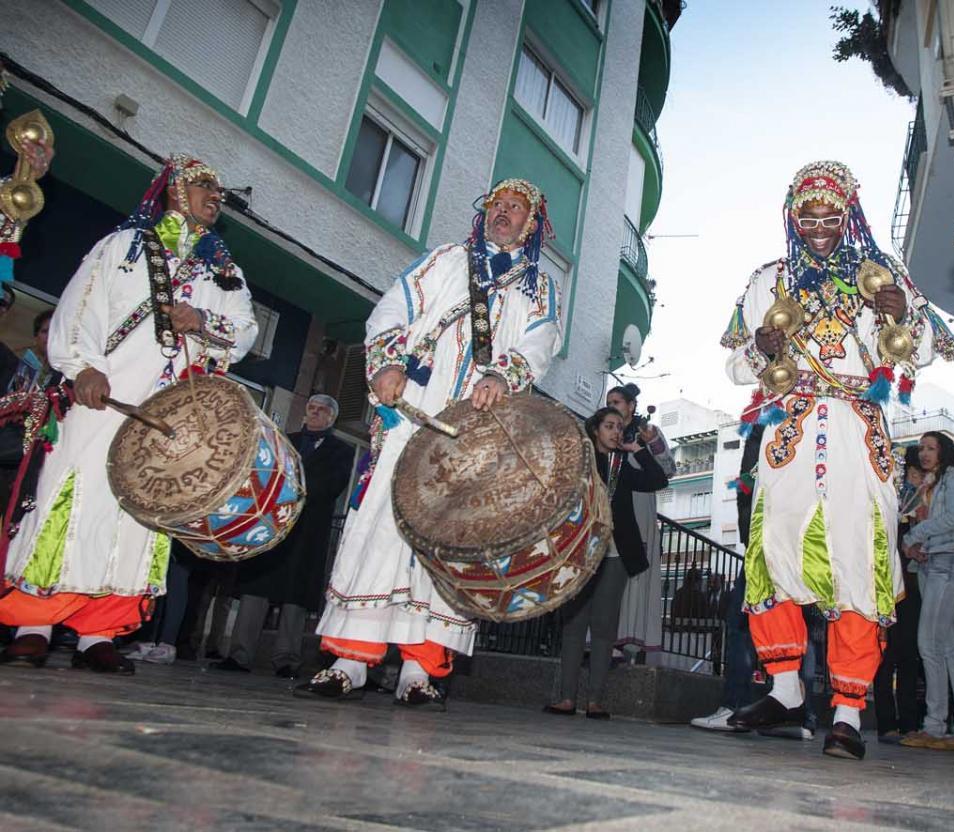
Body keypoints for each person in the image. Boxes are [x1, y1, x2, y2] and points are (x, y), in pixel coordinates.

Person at [721, 160, 954, 761]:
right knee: (774, 552)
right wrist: (761, 349)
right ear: (792, 219)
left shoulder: (879, 274)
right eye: (809, 218)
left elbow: (924, 352)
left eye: (832, 217)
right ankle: (783, 688)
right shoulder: (768, 280)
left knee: (859, 559)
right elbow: (734, 366)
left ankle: (849, 712)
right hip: (790, 433)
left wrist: (899, 312)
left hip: (859, 432)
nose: (821, 228)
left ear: (849, 216)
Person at [302, 178, 562, 706]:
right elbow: (391, 309)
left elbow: (541, 342)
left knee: (452, 540)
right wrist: (387, 364)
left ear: (531, 223)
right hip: (412, 413)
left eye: (515, 208)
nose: (503, 212)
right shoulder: (445, 260)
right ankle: (350, 660)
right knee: (381, 526)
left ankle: (419, 671)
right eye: (497, 204)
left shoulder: (539, 288)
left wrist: (503, 376)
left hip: (477, 428)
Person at [0, 153, 258, 673]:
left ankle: (99, 634)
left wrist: (201, 319)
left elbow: (245, 330)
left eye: (219, 192)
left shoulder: (224, 272)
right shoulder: (123, 246)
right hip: (103, 399)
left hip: (168, 417)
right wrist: (82, 368)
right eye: (204, 186)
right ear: (175, 190)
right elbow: (80, 307)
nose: (215, 197)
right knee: (70, 498)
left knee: (139, 518)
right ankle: (34, 626)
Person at [214, 394, 353, 677]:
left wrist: (294, 490)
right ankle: (239, 654)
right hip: (272, 525)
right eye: (311, 408)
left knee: (295, 598)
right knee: (256, 589)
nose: (314, 413)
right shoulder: (284, 439)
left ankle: (287, 659)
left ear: (332, 417)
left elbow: (333, 484)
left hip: (308, 530)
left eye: (322, 410)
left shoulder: (342, 450)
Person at [545, 407, 669, 718]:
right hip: (579, 553)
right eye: (609, 426)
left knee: (604, 628)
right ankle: (567, 698)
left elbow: (658, 480)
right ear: (595, 430)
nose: (616, 432)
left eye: (619, 427)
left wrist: (637, 449)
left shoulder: (622, 464)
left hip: (615, 555)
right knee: (574, 625)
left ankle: (595, 701)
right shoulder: (580, 462)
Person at [900, 432, 954, 753]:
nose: (924, 453)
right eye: (921, 448)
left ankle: (935, 726)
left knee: (929, 643)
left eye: (931, 448)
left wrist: (913, 537)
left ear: (944, 451)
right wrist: (917, 543)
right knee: (950, 650)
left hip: (948, 564)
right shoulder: (930, 483)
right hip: (931, 564)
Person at [690, 422, 762, 732]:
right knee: (789, 628)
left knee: (741, 624)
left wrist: (749, 532)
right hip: (782, 538)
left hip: (769, 539)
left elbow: (751, 482)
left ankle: (736, 707)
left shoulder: (768, 425)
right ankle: (799, 715)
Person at [606, 383, 674, 663]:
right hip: (607, 513)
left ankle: (626, 641)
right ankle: (603, 638)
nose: (612, 406)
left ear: (632, 406)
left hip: (638, 512)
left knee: (633, 575)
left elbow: (668, 470)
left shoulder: (646, 433)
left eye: (617, 402)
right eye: (609, 402)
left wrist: (650, 443)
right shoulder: (604, 432)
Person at [874, 446, 924, 743]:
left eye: (916, 473)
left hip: (913, 587)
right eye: (909, 472)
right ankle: (885, 723)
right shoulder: (885, 499)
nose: (912, 478)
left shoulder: (925, 502)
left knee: (908, 657)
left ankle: (908, 723)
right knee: (885, 655)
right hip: (884, 583)